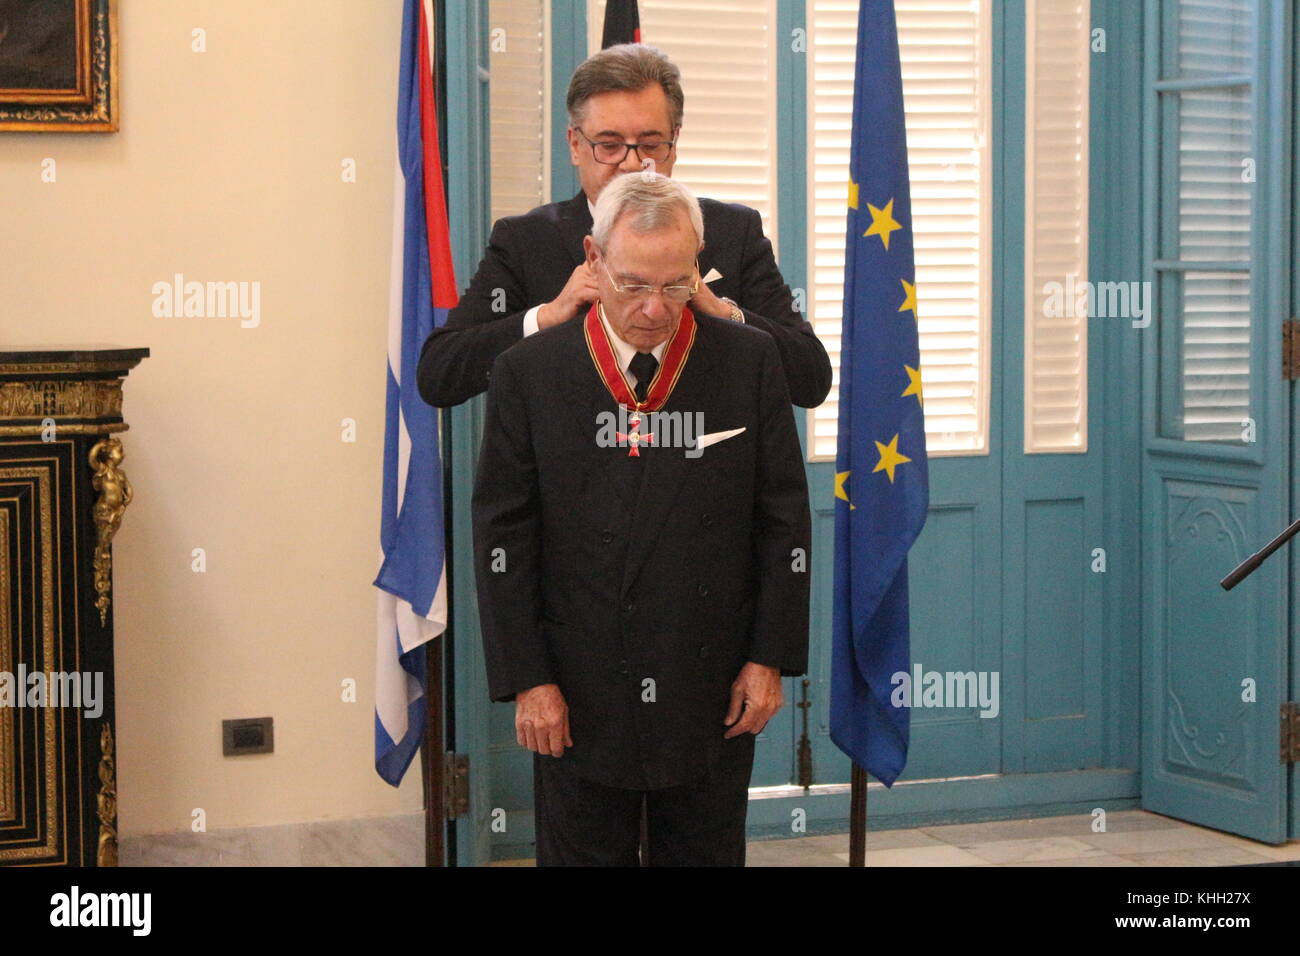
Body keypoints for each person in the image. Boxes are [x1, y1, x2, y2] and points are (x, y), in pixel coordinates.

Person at [471, 172, 811, 866]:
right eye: (632, 285)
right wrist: (529, 680)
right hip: (578, 688)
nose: (655, 310)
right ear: (593, 262)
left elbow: (783, 522)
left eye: (676, 284)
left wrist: (768, 657)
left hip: (711, 684)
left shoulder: (750, 361)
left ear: (697, 270)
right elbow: (504, 535)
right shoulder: (527, 372)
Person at [418, 42, 830, 409]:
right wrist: (546, 315)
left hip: (703, 474)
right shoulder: (526, 240)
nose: (633, 163)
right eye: (609, 145)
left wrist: (724, 311)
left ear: (675, 142)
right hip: (576, 482)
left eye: (651, 145)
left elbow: (811, 381)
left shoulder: (732, 232)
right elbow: (439, 375)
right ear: (576, 145)